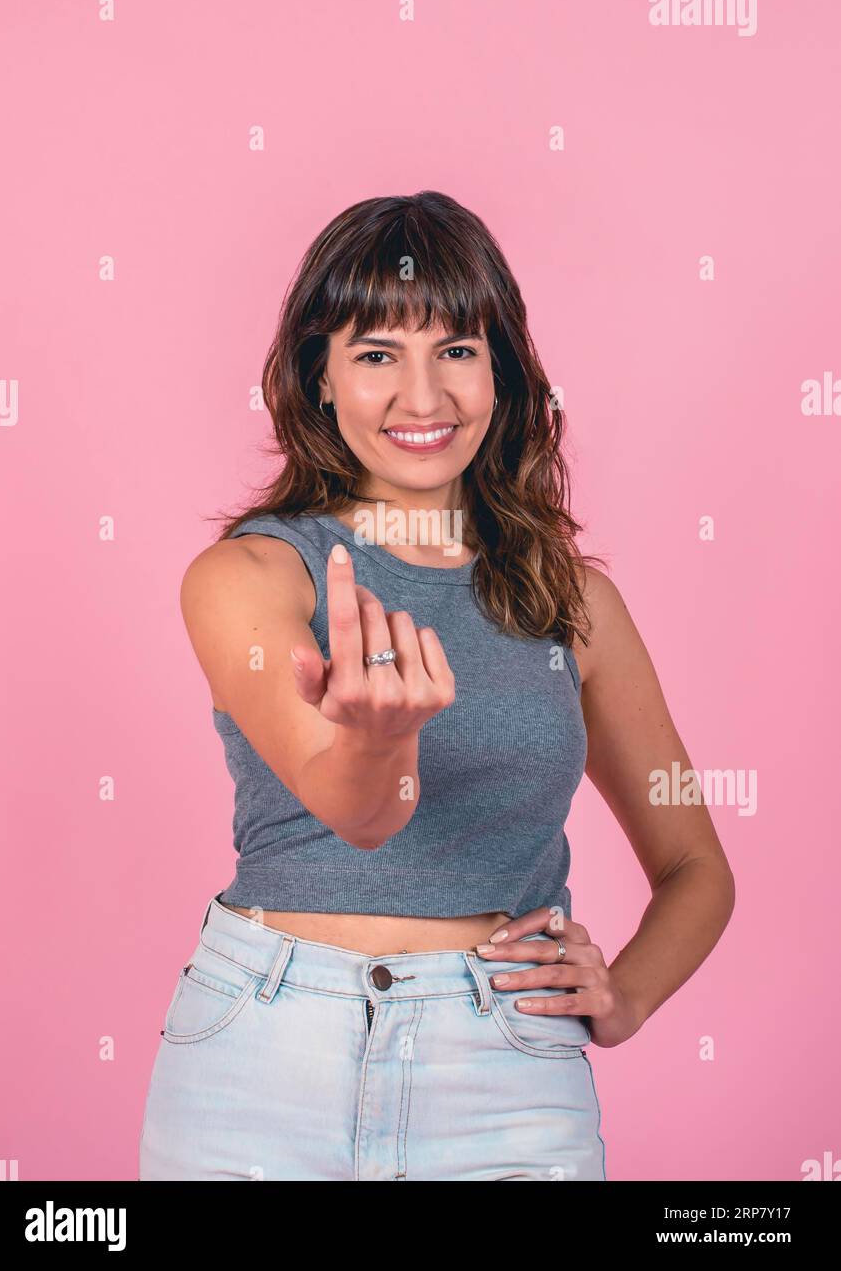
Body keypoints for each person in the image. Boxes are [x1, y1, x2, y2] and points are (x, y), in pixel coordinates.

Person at [138, 190, 735, 1181]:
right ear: (318, 378)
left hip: (504, 1069)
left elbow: (696, 867)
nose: (423, 396)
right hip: (262, 1057)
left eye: (456, 348)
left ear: (500, 369)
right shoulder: (247, 578)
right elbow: (356, 815)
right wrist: (377, 740)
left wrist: (620, 998)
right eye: (376, 353)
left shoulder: (571, 601)